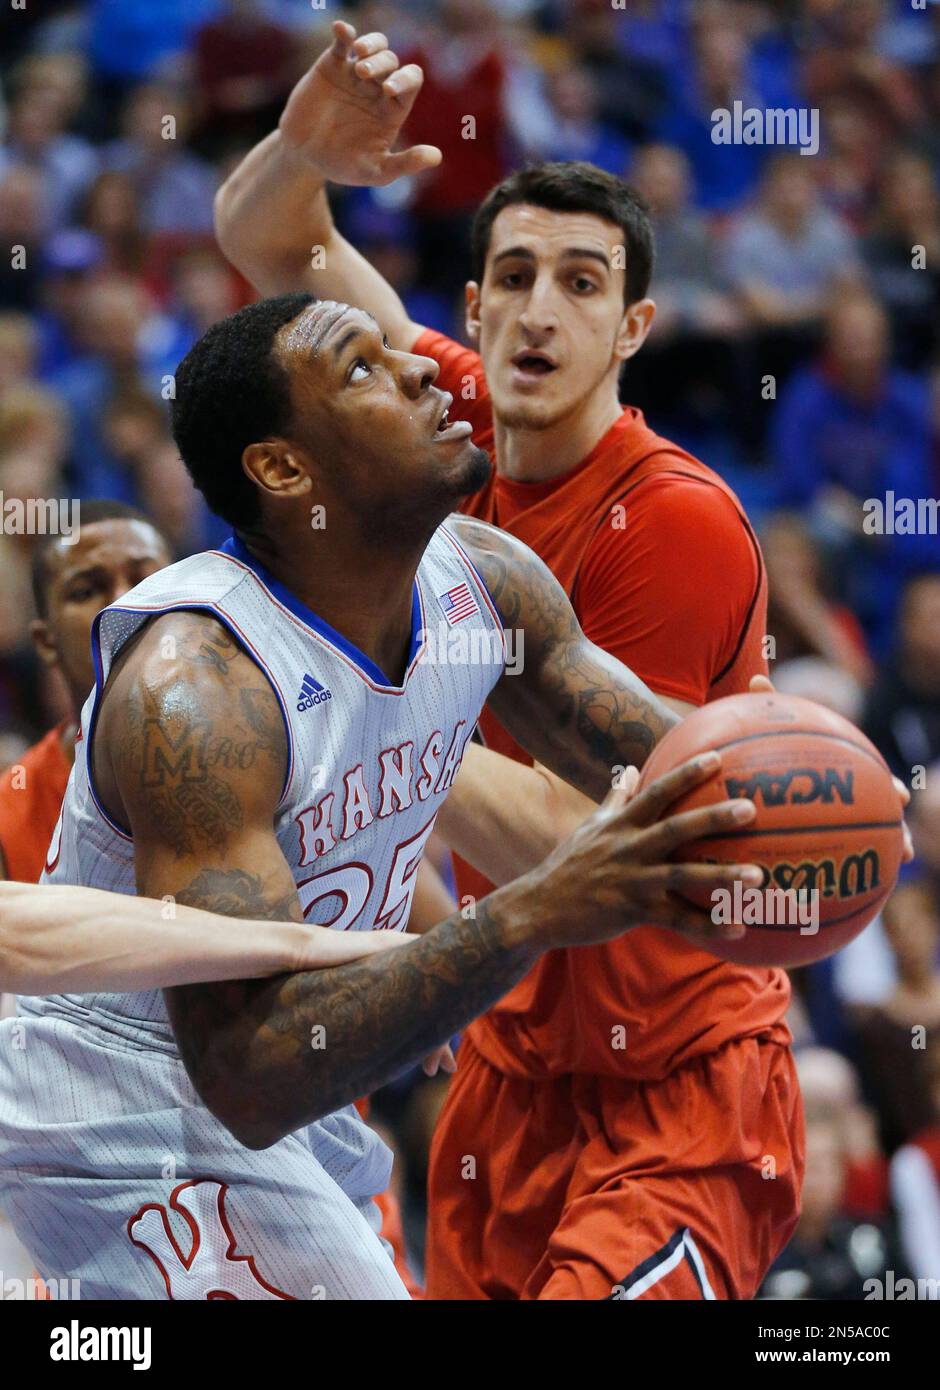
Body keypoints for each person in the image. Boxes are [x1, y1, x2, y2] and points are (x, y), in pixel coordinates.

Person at [0, 289, 764, 1302]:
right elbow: (247, 1068)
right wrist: (530, 913)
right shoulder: (200, 692)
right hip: (127, 1099)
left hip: (290, 1082)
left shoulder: (482, 581)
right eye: (360, 368)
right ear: (283, 469)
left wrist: (812, 796)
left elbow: (676, 765)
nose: (423, 369)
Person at [212, 22, 803, 1300]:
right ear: (471, 309)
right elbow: (270, 241)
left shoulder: (672, 518)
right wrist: (301, 148)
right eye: (518, 275)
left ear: (634, 324)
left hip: (677, 1091)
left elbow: (581, 835)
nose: (545, 307)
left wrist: (363, 697)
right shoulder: (446, 418)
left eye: (583, 283)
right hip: (508, 1077)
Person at [0, 500, 171, 884]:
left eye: (145, 580)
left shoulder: (273, 749)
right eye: (87, 590)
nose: (123, 602)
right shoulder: (9, 817)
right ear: (46, 642)